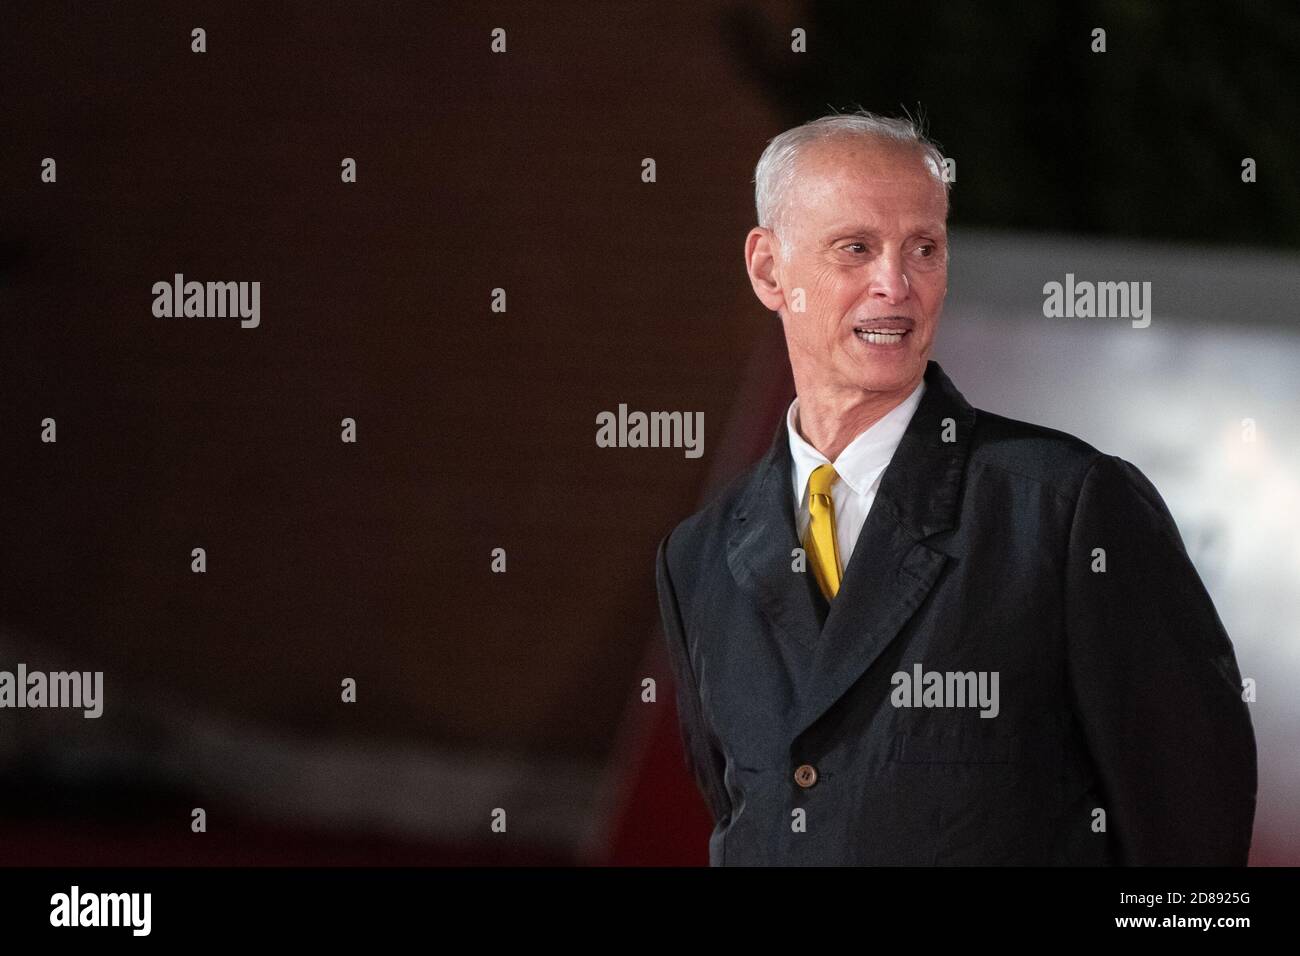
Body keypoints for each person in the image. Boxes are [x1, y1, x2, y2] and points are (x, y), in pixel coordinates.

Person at [655, 110, 1257, 865]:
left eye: (924, 249)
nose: (895, 285)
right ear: (769, 270)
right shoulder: (698, 558)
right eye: (856, 248)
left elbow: (1193, 847)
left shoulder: (1068, 510)